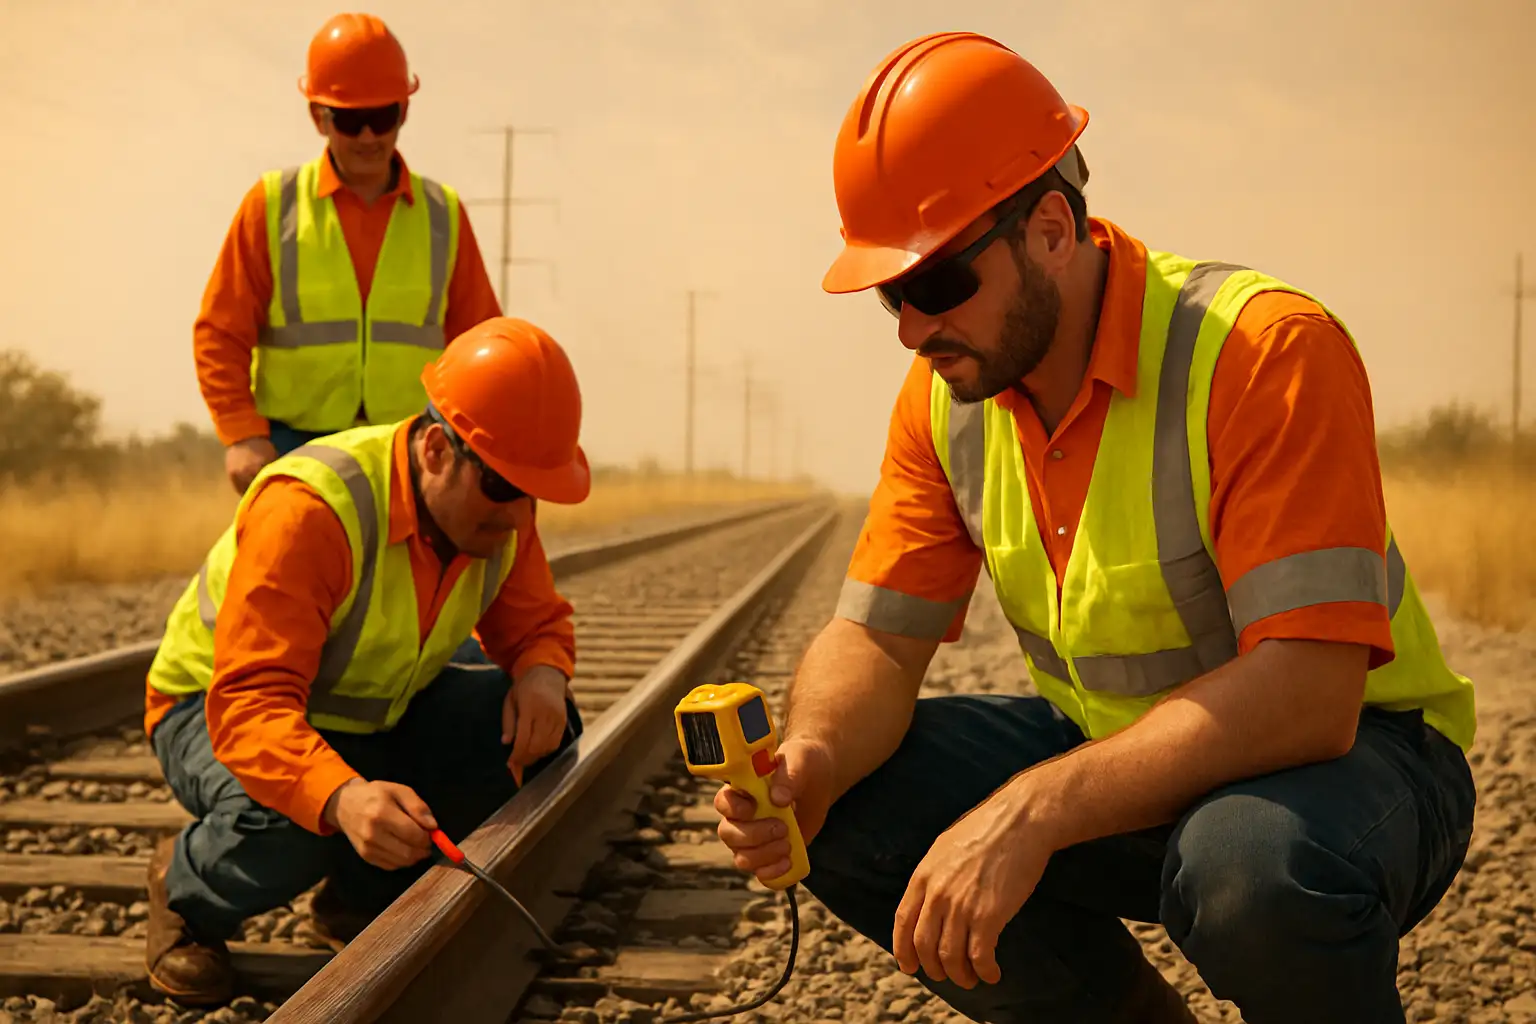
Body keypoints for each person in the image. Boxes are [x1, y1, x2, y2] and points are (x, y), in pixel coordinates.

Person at [711, 31, 1478, 1024]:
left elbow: (1309, 694)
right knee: (855, 799)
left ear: (1050, 230)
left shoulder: (1262, 353)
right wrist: (813, 760)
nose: (910, 327)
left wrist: (1032, 809)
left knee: (1250, 873)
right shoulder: (948, 397)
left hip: (1358, 766)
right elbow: (876, 639)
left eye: (936, 284)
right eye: (892, 292)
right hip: (1127, 759)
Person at [141, 317, 589, 1006]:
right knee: (299, 818)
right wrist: (345, 798)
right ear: (437, 449)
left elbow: (535, 624)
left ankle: (357, 900)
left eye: (535, 490)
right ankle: (185, 892)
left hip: (358, 717)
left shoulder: (498, 516)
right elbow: (251, 705)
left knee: (542, 733)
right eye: (505, 485)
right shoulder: (312, 510)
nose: (519, 512)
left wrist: (542, 674)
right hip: (213, 709)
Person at [193, 12, 502, 497]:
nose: (368, 137)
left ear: (404, 111)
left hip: (411, 451)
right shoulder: (272, 206)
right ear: (318, 116)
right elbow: (220, 331)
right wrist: (241, 433)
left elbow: (480, 344)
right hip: (292, 447)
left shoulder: (443, 215)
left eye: (382, 117)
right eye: (351, 120)